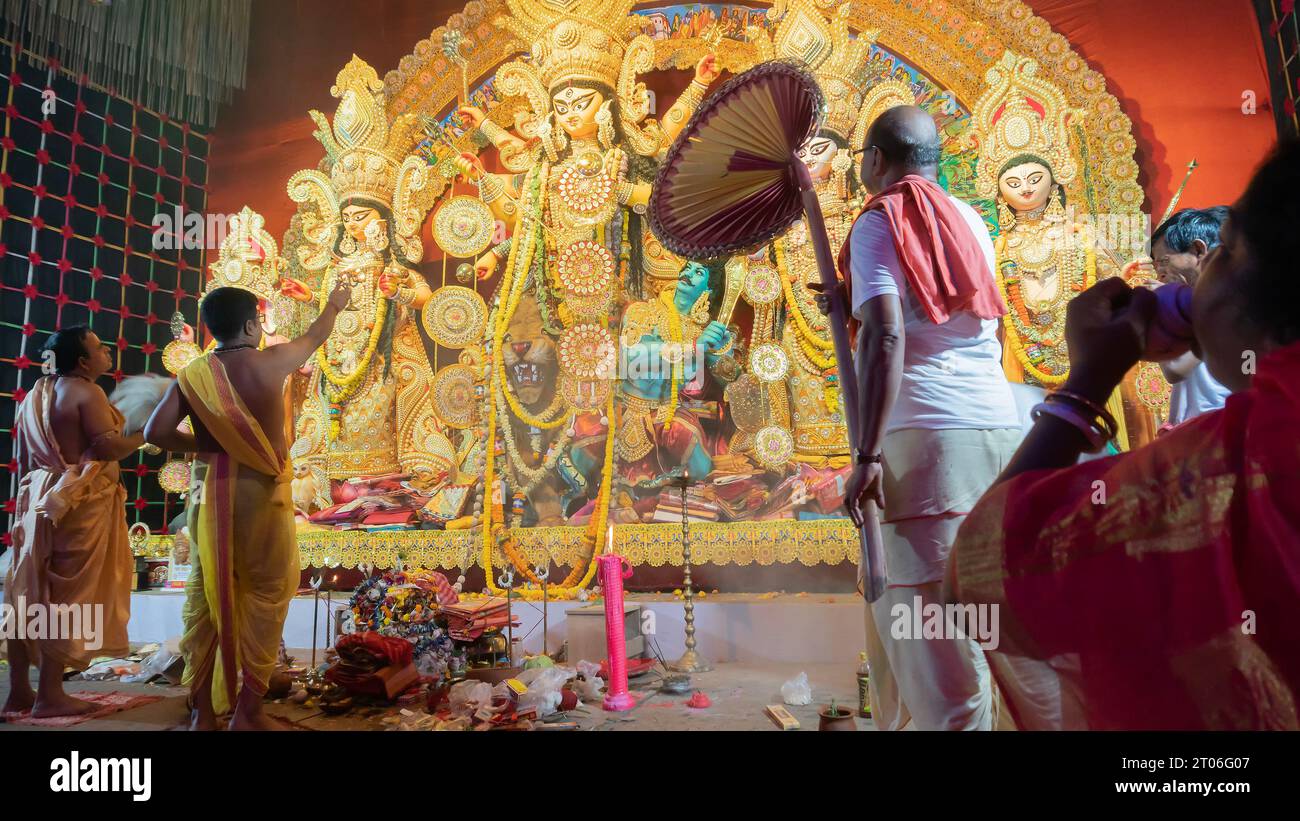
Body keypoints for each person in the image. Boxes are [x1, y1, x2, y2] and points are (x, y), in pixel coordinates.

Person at [948, 140, 1300, 730]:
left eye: (1224, 252)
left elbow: (984, 575)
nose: (1026, 188)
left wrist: (1088, 378)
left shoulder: (1228, 467)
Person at [820, 105, 1021, 730]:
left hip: (925, 443)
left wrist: (868, 456)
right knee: (974, 627)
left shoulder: (882, 220)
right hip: (994, 434)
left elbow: (885, 338)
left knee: (933, 650)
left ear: (876, 160)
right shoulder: (971, 219)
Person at [145, 282, 348, 729]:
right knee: (266, 592)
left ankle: (202, 713)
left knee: (205, 596)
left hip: (211, 497)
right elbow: (316, 336)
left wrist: (205, 445)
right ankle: (248, 711)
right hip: (261, 498)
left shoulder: (193, 375)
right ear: (253, 324)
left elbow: (153, 432)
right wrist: (334, 304)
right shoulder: (270, 362)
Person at [3, 327, 137, 717]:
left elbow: (30, 457)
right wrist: (145, 435)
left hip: (38, 499)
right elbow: (106, 446)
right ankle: (50, 695)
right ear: (82, 361)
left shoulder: (34, 396)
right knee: (68, 597)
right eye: (99, 346)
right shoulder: (86, 391)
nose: (107, 349)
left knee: (29, 587)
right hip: (78, 503)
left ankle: (18, 692)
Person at [1151, 207, 1233, 425]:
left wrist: (1158, 307)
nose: (1160, 273)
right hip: (1193, 427)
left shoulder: (1231, 301)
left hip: (1218, 426)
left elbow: (1175, 369)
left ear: (1198, 250)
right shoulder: (1195, 304)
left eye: (1164, 261)